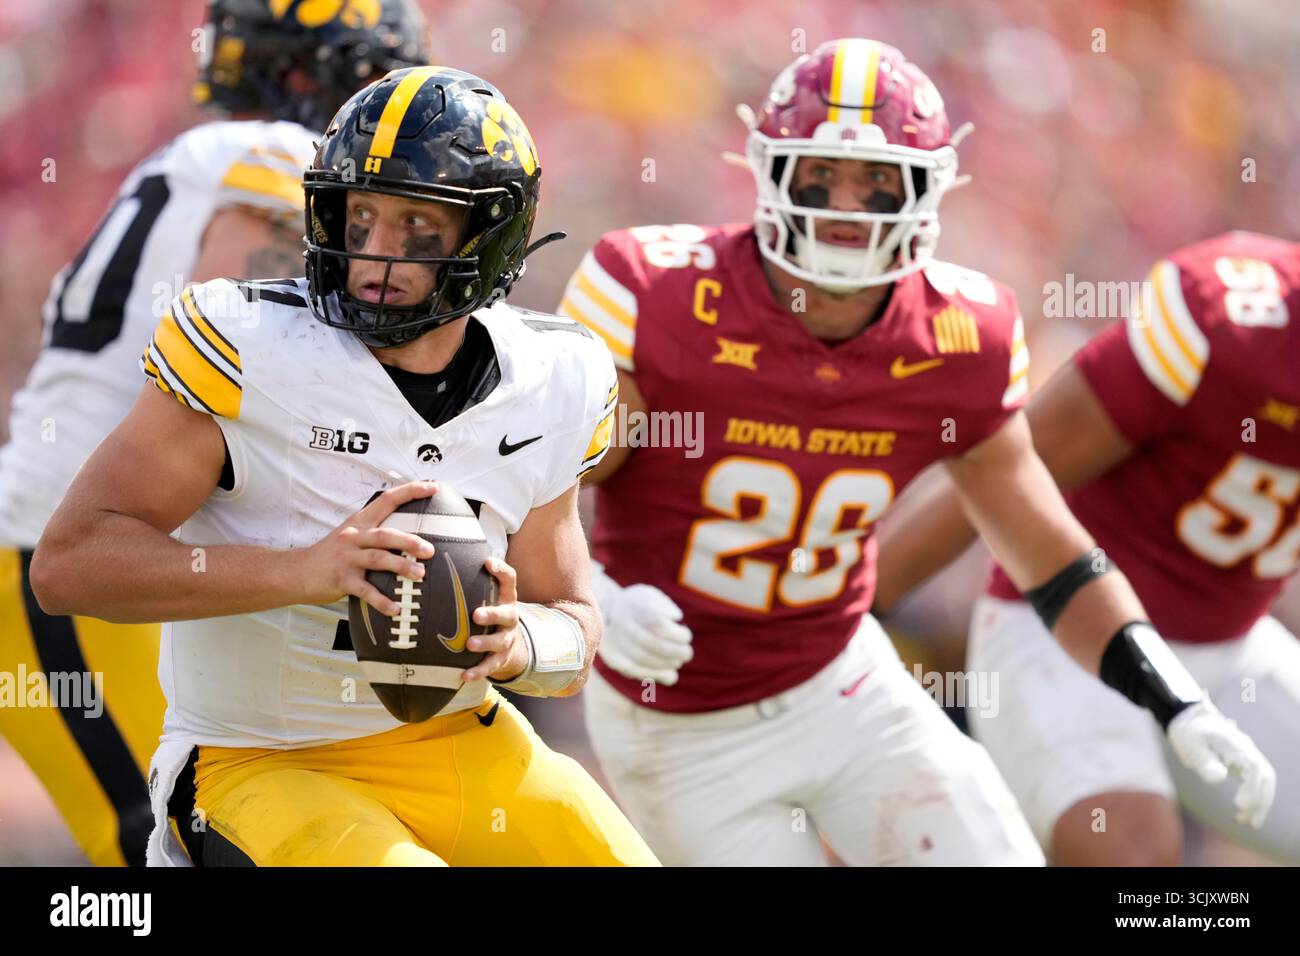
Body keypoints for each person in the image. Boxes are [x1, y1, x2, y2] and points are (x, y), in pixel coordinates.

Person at [559, 38, 1274, 866]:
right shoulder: (658, 296)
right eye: (821, 177)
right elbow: (538, 481)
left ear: (926, 193)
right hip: (674, 726)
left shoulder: (961, 337)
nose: (845, 207)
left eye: (877, 184)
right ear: (773, 174)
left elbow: (1048, 550)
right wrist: (594, 598)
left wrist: (1173, 698)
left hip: (844, 684)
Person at [30, 65, 657, 867]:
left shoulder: (554, 379)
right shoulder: (250, 350)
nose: (374, 257)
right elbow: (70, 566)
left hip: (462, 743)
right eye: (358, 218)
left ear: (489, 236)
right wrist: (304, 571)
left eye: (416, 230)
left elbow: (573, 617)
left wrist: (519, 641)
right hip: (258, 758)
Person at [0, 0, 428, 866]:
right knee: (156, 847)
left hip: (131, 550)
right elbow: (238, 336)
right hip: (64, 557)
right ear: (328, 76)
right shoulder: (269, 157)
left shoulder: (197, 161)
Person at [873, 231, 1300, 865]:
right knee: (1133, 864)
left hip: (1230, 650)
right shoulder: (1228, 319)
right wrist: (836, 613)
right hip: (1068, 636)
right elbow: (1002, 474)